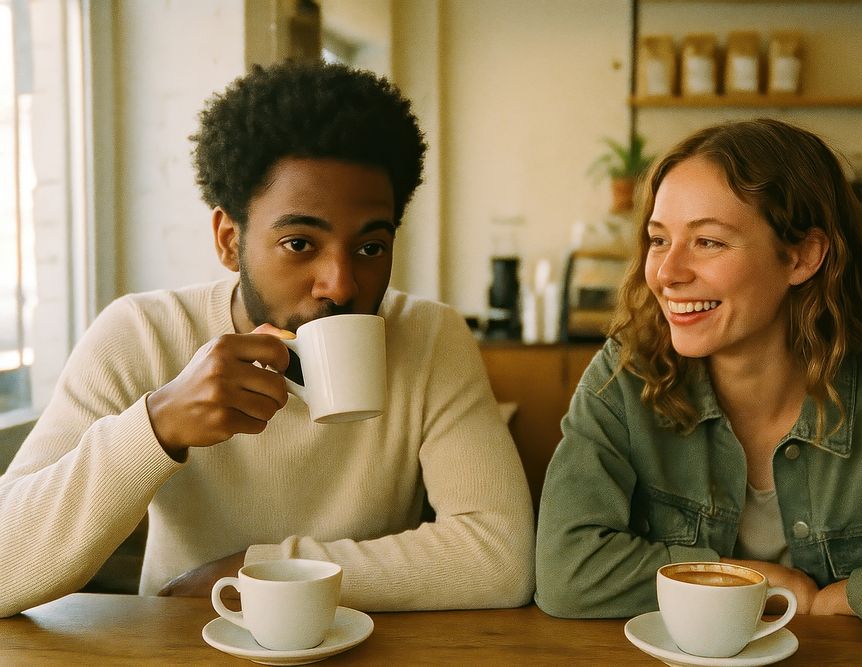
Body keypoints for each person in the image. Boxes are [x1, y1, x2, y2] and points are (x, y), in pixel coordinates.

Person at [0, 62, 535, 617]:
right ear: (229, 240)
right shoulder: (143, 334)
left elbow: (501, 556)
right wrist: (156, 427)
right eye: (300, 243)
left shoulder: (430, 337)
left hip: (365, 645)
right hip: (180, 644)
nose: (341, 285)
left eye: (371, 248)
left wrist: (256, 572)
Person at [534, 119, 862, 650]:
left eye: (708, 241)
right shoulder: (626, 375)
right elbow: (565, 572)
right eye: (659, 240)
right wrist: (747, 580)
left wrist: (855, 596)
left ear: (802, 256)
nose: (666, 272)